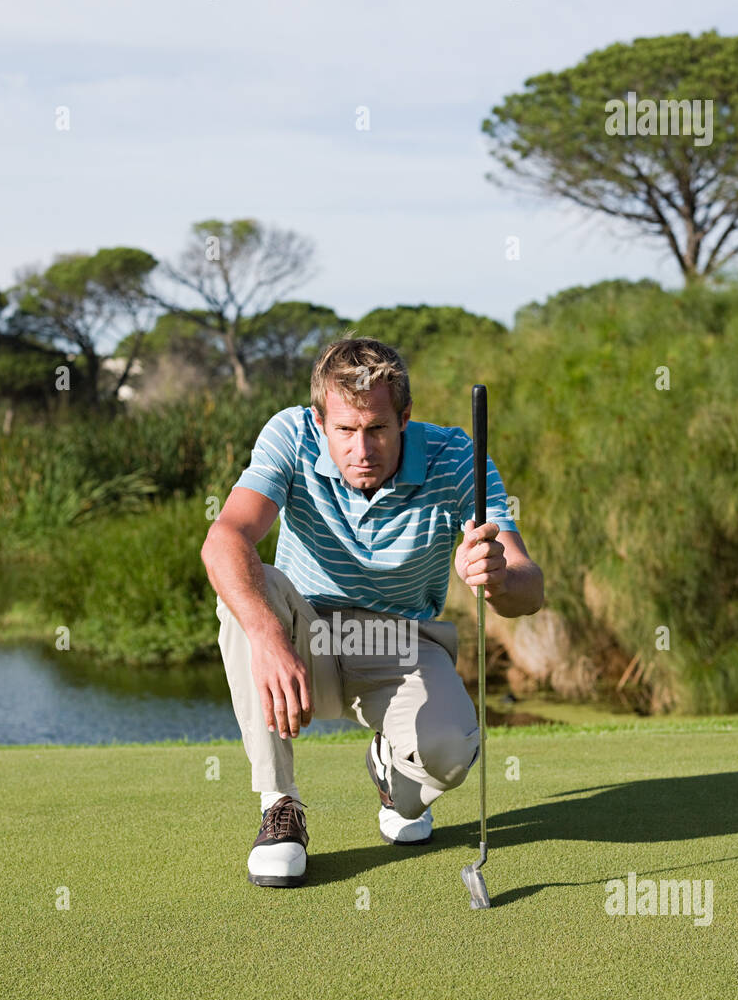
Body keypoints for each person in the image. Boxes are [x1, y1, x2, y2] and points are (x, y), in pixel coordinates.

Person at [201, 337, 544, 886]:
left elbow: (531, 589)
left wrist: (499, 577)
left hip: (399, 643)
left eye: (378, 429)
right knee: (246, 583)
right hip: (305, 633)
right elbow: (225, 538)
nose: (362, 449)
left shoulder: (456, 457)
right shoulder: (290, 434)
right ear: (319, 422)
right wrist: (267, 637)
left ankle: (391, 773)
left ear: (404, 417)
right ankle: (279, 806)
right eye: (345, 430)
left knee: (451, 753)